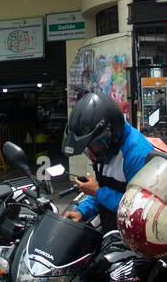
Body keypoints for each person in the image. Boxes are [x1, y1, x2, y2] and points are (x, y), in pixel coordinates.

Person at [61, 92, 153, 231]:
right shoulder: (104, 151)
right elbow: (105, 190)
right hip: (114, 229)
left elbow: (139, 209)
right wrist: (82, 211)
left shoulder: (136, 153)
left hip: (137, 234)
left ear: (112, 131)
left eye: (95, 144)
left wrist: (97, 192)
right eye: (89, 147)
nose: (92, 151)